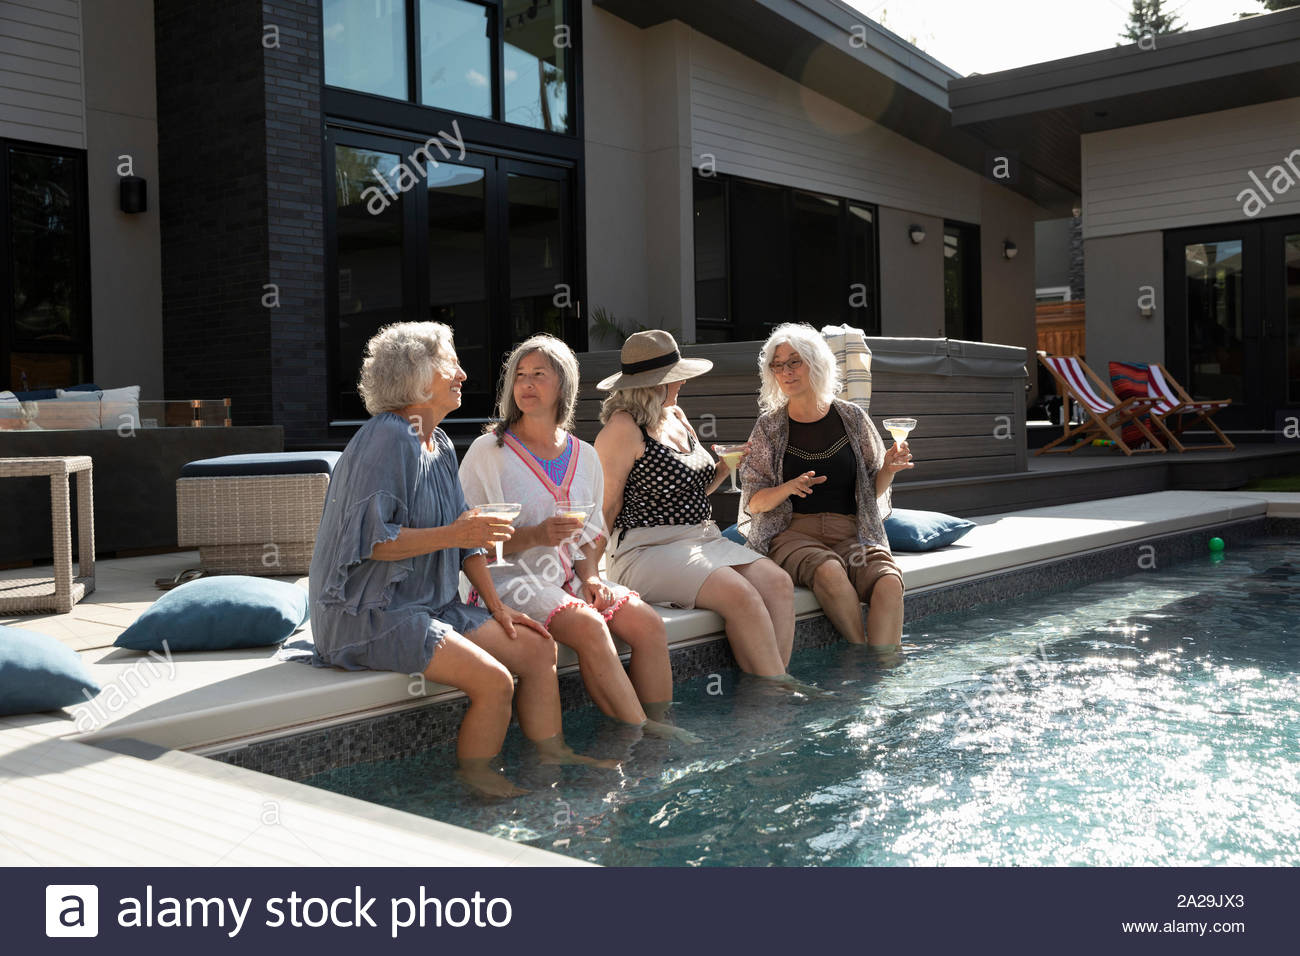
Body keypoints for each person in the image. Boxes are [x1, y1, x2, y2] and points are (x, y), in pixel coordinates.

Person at [308, 322, 606, 798]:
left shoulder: (440, 443)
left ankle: (550, 760)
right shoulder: (388, 438)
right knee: (493, 682)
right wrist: (456, 532)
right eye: (451, 362)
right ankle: (480, 786)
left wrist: (498, 607)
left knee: (537, 650)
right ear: (417, 374)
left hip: (430, 605)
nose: (464, 374)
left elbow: (467, 544)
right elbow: (373, 545)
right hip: (367, 612)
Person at [459, 334, 695, 742]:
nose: (527, 385)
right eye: (520, 376)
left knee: (648, 625)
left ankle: (662, 722)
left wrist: (590, 576)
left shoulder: (583, 455)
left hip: (566, 579)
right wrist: (536, 535)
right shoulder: (488, 453)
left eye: (539, 375)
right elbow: (469, 541)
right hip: (507, 581)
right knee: (588, 626)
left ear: (563, 386)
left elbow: (589, 536)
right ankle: (644, 733)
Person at [593, 329, 813, 688]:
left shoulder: (675, 415)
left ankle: (772, 683)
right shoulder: (622, 429)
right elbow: (607, 505)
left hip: (701, 541)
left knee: (778, 583)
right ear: (658, 382)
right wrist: (586, 571)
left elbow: (695, 488)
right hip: (647, 550)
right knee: (740, 594)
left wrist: (726, 467)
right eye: (677, 377)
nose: (682, 383)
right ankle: (777, 693)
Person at [739, 323, 912, 647]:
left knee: (888, 582)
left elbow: (870, 491)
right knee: (829, 570)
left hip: (850, 533)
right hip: (793, 534)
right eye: (778, 365)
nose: (786, 371)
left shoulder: (852, 418)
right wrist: (788, 488)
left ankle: (886, 672)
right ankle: (863, 656)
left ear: (815, 362)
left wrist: (888, 468)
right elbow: (754, 503)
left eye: (794, 361)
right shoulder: (769, 427)